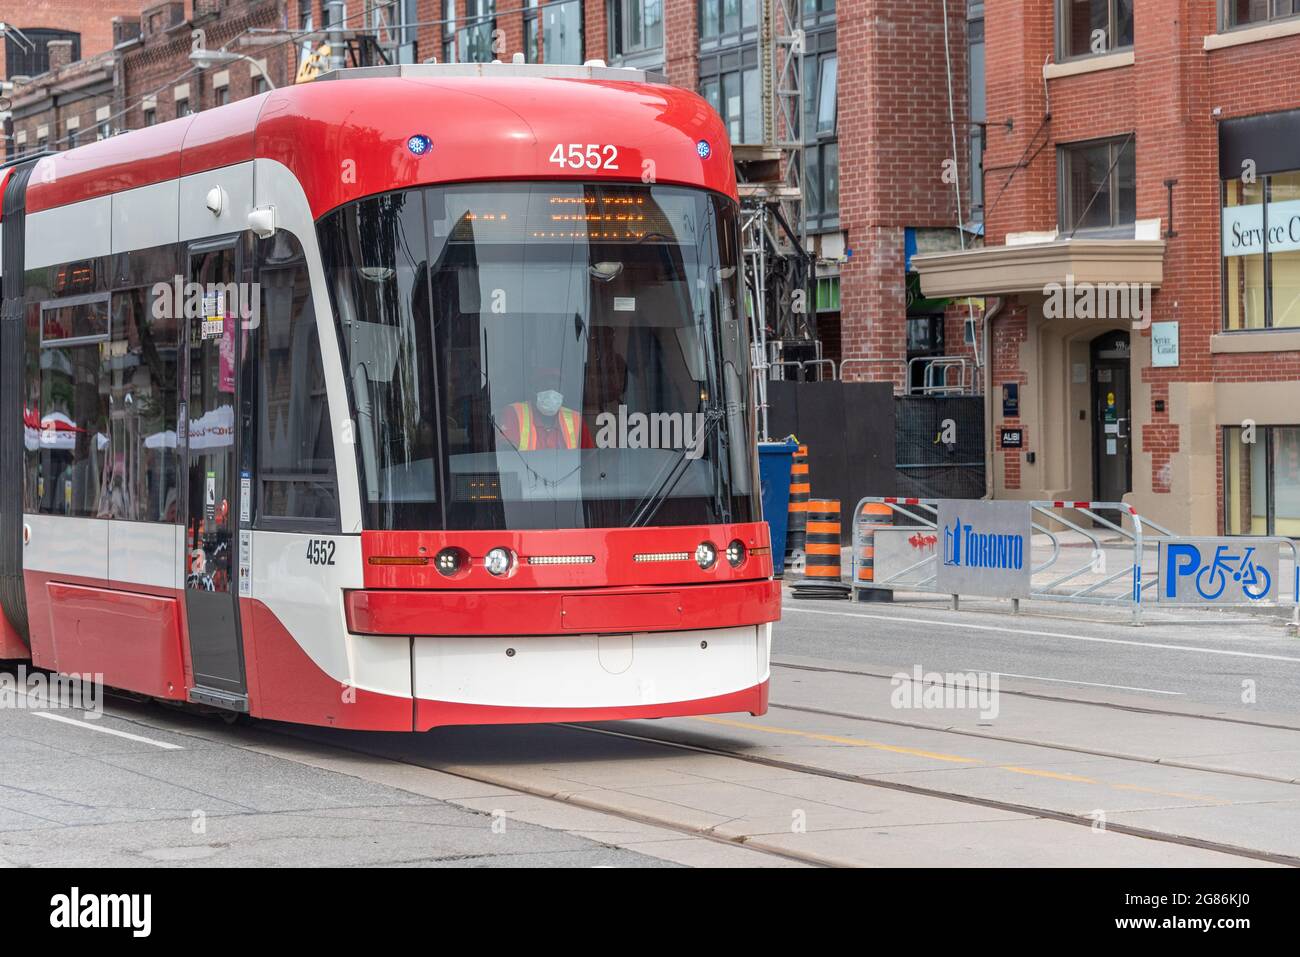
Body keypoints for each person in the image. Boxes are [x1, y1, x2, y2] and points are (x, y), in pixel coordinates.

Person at [498, 367, 593, 451]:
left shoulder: (575, 420)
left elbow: (589, 461)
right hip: (526, 471)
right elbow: (507, 457)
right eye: (545, 386)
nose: (551, 394)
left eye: (556, 387)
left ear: (564, 391)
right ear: (533, 390)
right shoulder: (515, 413)